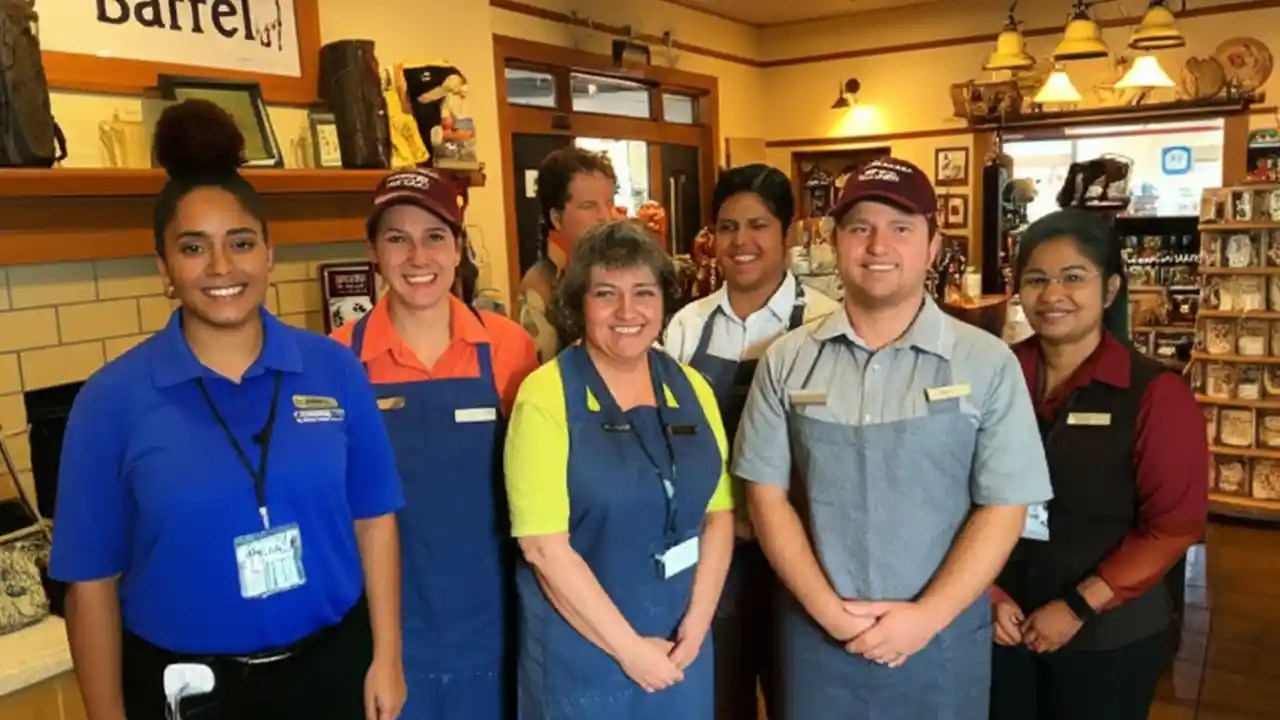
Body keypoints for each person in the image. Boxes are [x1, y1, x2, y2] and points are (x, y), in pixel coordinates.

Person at [48, 100, 406, 719]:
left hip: (332, 674)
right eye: (193, 248)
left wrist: (388, 657)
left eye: (240, 243)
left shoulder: (334, 370)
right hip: (188, 692)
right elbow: (91, 586)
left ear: (269, 253)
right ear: (163, 267)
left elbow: (374, 522)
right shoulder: (110, 401)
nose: (221, 267)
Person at [733, 157, 1054, 720]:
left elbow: (1005, 505)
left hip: (941, 639)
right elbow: (766, 497)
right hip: (818, 639)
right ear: (835, 243)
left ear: (932, 247)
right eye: (860, 227)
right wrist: (829, 613)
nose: (879, 245)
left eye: (901, 228)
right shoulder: (786, 361)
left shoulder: (987, 363)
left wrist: (926, 617)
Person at [504, 221, 735, 719]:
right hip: (585, 660)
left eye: (643, 293)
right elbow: (543, 548)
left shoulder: (692, 387)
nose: (628, 312)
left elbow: (718, 516)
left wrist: (697, 623)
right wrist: (629, 650)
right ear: (579, 304)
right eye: (606, 294)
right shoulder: (546, 397)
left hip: (681, 648)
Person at [331, 167, 539, 720]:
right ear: (374, 250)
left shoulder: (510, 348)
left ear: (458, 249)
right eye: (397, 238)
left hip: (497, 620)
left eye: (434, 237)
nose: (417, 257)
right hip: (386, 632)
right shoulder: (335, 361)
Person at [988, 210, 1208, 720]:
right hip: (1002, 623)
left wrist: (1079, 606)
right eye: (1036, 279)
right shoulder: (996, 375)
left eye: (1073, 277)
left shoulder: (1155, 393)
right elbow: (957, 491)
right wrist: (988, 594)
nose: (1052, 294)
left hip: (1107, 633)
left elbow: (1173, 526)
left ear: (1110, 290)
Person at [662, 163, 838, 720]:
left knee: (800, 698)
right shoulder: (687, 326)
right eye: (728, 226)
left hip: (806, 547)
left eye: (758, 225)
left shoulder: (826, 322)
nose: (742, 242)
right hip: (712, 549)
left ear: (787, 233)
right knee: (720, 697)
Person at [517, 146, 618, 362]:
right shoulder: (540, 288)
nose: (605, 216)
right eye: (589, 206)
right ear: (556, 218)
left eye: (609, 203)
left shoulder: (620, 270)